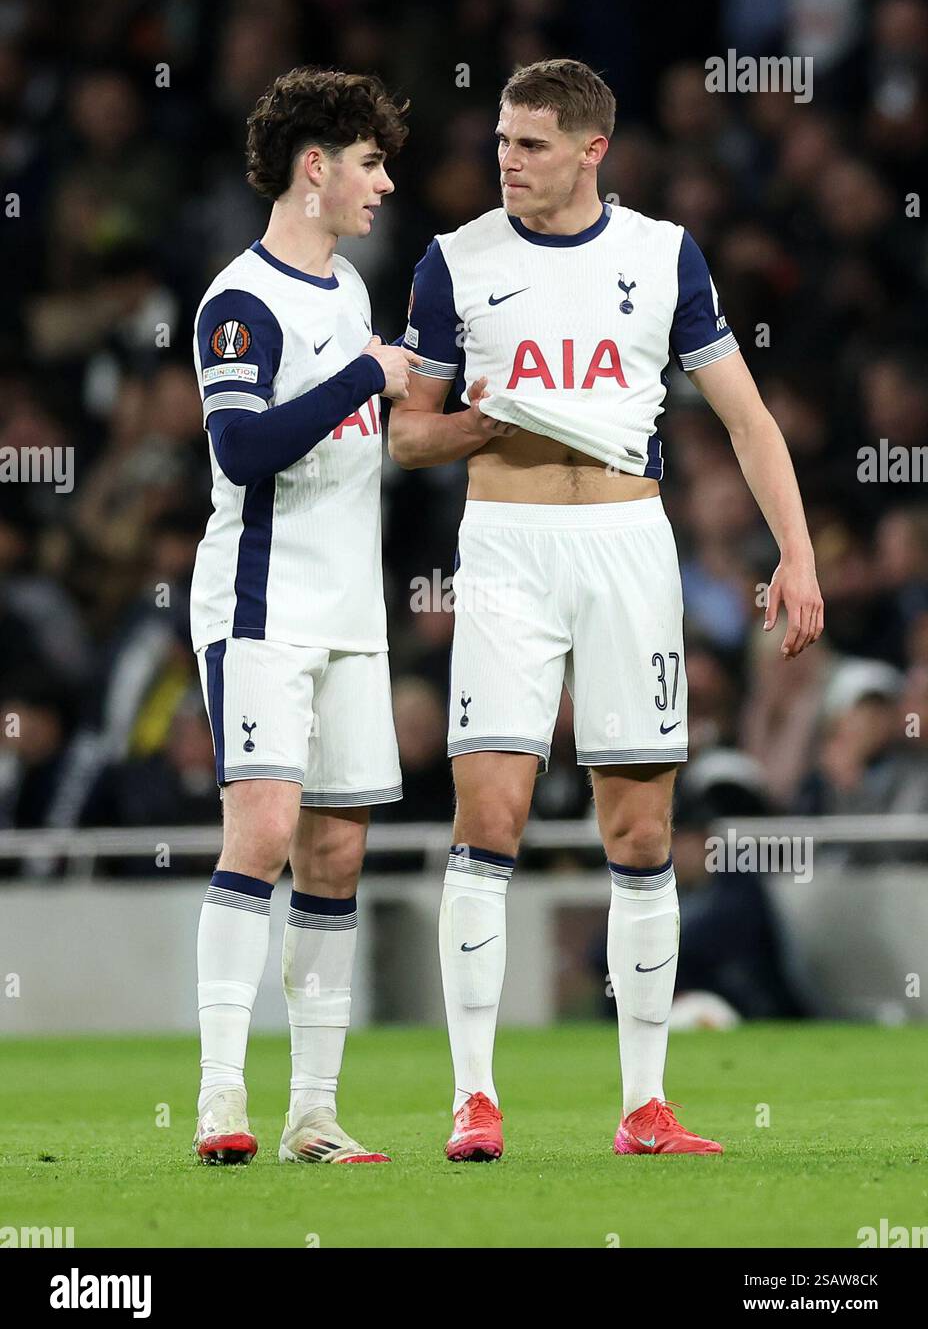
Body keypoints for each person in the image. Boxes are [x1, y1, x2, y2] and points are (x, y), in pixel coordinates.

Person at [390, 58, 824, 1161]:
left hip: (629, 547)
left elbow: (745, 415)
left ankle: (643, 1106)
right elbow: (411, 433)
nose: (505, 161)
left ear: (592, 151)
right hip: (505, 547)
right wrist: (486, 426)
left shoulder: (661, 252)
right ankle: (473, 1099)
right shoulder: (454, 262)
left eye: (529, 144)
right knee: (487, 816)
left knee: (640, 829)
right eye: (499, 140)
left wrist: (797, 554)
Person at [189, 67, 419, 1165]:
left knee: (334, 850)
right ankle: (220, 1098)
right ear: (314, 166)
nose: (382, 184)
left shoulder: (352, 292)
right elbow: (242, 449)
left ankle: (312, 1114)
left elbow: (352, 441)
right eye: (369, 162)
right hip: (259, 604)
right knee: (266, 830)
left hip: (351, 614)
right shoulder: (240, 301)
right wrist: (362, 378)